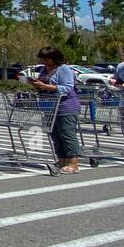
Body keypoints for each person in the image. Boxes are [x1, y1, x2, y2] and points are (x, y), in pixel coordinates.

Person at [29, 45, 80, 174]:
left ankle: (73, 163)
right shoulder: (44, 70)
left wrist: (46, 86)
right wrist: (37, 85)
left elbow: (67, 87)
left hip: (65, 106)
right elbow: (44, 85)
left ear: (54, 58)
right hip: (49, 106)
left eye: (46, 60)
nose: (44, 62)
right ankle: (61, 160)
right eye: (42, 60)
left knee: (67, 134)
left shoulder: (63, 69)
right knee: (55, 134)